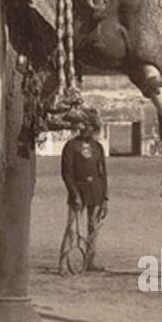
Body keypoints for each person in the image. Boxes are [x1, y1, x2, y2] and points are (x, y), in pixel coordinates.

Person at [59, 111, 108, 275]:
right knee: (72, 229)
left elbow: (103, 174)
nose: (87, 129)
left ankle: (90, 262)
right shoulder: (71, 146)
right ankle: (63, 264)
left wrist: (105, 199)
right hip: (78, 191)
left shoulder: (98, 147)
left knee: (93, 229)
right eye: (84, 125)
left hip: (96, 191)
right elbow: (66, 173)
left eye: (90, 126)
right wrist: (75, 194)